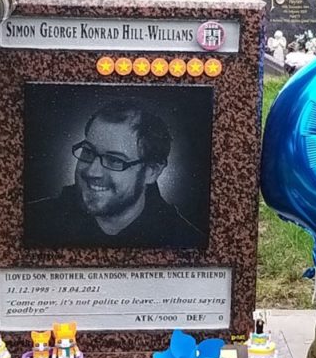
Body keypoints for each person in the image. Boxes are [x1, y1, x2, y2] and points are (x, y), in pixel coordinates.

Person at [24, 100, 204, 249]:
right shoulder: (32, 222)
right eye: (88, 152)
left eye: (115, 160)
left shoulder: (187, 242)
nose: (92, 172)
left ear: (152, 171)